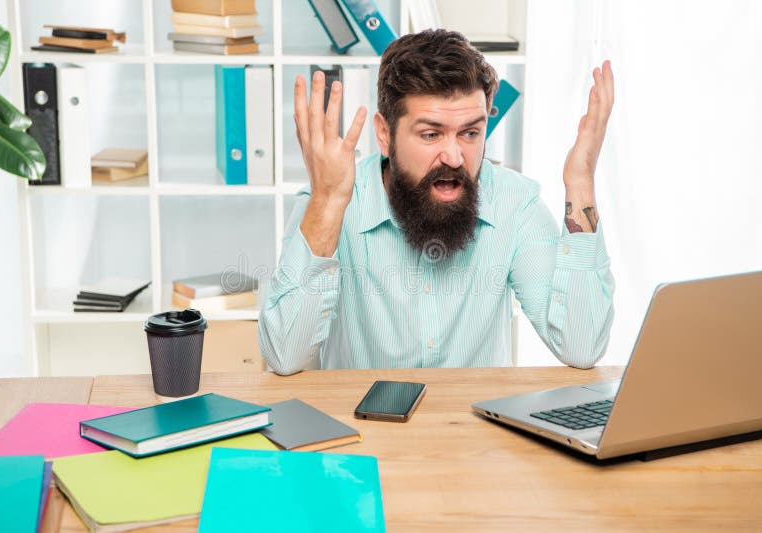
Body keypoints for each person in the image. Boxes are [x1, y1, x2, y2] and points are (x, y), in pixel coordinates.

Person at [259, 29, 615, 375]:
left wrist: (581, 180)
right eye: (431, 134)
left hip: (479, 431)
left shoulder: (514, 202)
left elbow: (580, 347)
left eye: (470, 133)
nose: (455, 156)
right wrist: (328, 201)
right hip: (363, 431)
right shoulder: (329, 200)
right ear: (385, 134)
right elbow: (285, 356)